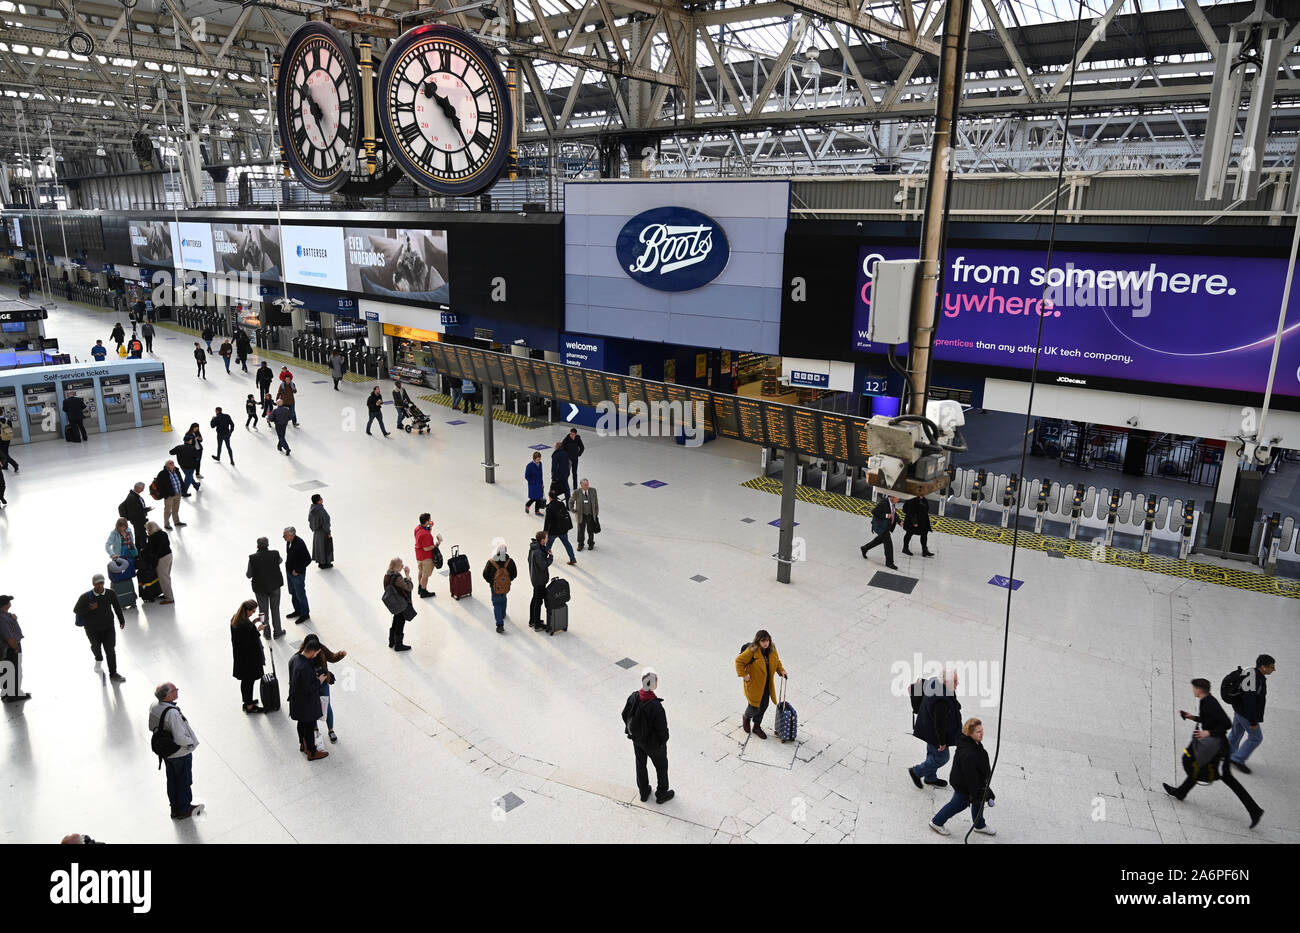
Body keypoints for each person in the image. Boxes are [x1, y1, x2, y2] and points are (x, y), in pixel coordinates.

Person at [1163, 678, 1264, 828]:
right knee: (1200, 767)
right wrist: (1192, 717)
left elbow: (1226, 723)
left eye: (1194, 688)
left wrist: (1208, 733)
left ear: (1199, 689)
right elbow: (1208, 718)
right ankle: (1181, 792)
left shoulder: (1210, 703)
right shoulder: (1205, 701)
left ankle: (1255, 810)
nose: (1193, 690)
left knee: (1227, 778)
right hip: (1214, 746)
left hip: (1219, 748)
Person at [929, 718, 996, 836]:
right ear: (970, 733)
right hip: (965, 786)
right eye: (978, 732)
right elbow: (971, 777)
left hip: (970, 783)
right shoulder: (969, 753)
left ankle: (979, 825)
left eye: (982, 730)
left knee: (978, 802)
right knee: (958, 804)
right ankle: (937, 822)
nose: (982, 734)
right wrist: (978, 793)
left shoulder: (970, 743)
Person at [148, 682, 202, 818]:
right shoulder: (172, 712)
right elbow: (179, 737)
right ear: (167, 695)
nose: (177, 690)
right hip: (180, 753)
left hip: (166, 751)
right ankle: (185, 808)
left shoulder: (154, 706)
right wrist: (191, 743)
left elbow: (151, 726)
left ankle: (175, 808)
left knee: (172, 780)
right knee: (184, 780)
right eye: (174, 689)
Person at [621, 668, 673, 804]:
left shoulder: (633, 696)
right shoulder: (656, 706)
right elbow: (662, 730)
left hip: (637, 740)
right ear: (654, 684)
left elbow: (624, 714)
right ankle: (661, 794)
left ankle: (644, 792)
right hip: (654, 745)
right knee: (661, 767)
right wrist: (663, 741)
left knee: (640, 764)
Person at [909, 668, 961, 789]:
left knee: (932, 755)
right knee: (942, 758)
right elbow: (940, 723)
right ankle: (916, 772)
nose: (957, 683)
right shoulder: (941, 700)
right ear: (946, 682)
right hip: (935, 734)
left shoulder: (937, 684)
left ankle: (930, 778)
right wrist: (942, 741)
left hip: (928, 729)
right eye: (955, 681)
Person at [735, 631, 788, 739]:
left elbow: (776, 662)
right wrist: (744, 675)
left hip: (766, 684)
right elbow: (739, 661)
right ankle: (746, 717)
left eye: (767, 640)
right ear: (758, 641)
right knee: (754, 706)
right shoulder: (752, 651)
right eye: (763, 641)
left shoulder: (772, 649)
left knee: (764, 705)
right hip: (755, 684)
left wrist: (781, 671)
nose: (765, 643)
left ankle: (756, 726)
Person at [1228, 654, 1275, 774]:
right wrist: (1253, 721)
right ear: (1263, 667)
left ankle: (1227, 754)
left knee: (1236, 732)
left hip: (1239, 710)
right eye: (1271, 667)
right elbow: (1250, 701)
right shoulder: (1256, 680)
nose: (1273, 669)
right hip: (1246, 713)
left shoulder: (1252, 673)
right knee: (1256, 738)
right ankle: (1237, 759)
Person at [74, 574, 127, 682]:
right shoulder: (85, 597)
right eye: (97, 583)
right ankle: (98, 658)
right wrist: (89, 608)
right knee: (96, 647)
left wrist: (121, 619)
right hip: (92, 630)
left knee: (110, 651)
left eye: (101, 583)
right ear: (93, 584)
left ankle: (113, 673)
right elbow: (76, 610)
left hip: (108, 628)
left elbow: (117, 607)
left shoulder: (110, 593)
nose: (100, 585)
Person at [289, 634, 330, 760]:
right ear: (312, 651)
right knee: (309, 726)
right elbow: (308, 688)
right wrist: (320, 680)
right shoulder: (305, 667)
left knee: (301, 724)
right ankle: (312, 752)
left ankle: (302, 743)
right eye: (316, 653)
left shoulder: (294, 658)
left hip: (295, 700)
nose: (316, 655)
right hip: (306, 703)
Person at [230, 599, 267, 713]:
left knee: (246, 681)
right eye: (252, 611)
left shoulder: (236, 619)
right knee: (249, 681)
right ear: (247, 610)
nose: (253, 613)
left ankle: (247, 701)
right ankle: (249, 706)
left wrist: (253, 622)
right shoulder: (245, 625)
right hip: (249, 659)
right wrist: (258, 630)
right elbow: (249, 640)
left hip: (241, 657)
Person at [246, 537, 285, 638]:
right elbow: (280, 561)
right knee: (275, 609)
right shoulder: (275, 553)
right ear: (267, 544)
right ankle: (277, 632)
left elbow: (249, 575)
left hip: (260, 589)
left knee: (263, 612)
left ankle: (266, 633)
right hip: (275, 586)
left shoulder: (253, 558)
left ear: (257, 546)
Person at [311, 639, 347, 743]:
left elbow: (331, 656)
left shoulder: (321, 648)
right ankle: (315, 729)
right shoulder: (305, 655)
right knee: (312, 705)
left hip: (324, 682)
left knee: (327, 705)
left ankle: (331, 730)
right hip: (312, 684)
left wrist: (340, 654)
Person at [482, 538, 518, 634]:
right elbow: (514, 574)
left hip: (495, 587)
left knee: (496, 603)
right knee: (504, 598)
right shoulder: (510, 561)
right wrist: (508, 580)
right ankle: (503, 614)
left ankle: (500, 625)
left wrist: (491, 582)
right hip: (506, 586)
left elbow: (485, 574)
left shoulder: (491, 562)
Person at [0, 595, 30, 703]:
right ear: (6, 604)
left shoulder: (6, 615)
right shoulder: (2, 618)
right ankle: (14, 694)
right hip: (11, 647)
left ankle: (7, 693)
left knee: (7, 670)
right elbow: (8, 636)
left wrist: (14, 619)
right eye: (9, 601)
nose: (10, 603)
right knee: (15, 669)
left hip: (9, 647)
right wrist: (15, 647)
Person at [383, 557, 416, 651]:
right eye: (401, 565)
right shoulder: (397, 577)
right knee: (401, 621)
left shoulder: (387, 575)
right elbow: (408, 588)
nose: (402, 566)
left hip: (393, 602)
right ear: (397, 566)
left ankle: (391, 641)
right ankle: (398, 645)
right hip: (400, 603)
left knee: (395, 619)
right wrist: (408, 576)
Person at [861, 494, 901, 570]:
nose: (898, 500)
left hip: (886, 527)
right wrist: (886, 515)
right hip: (881, 527)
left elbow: (894, 513)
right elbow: (874, 511)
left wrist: (899, 521)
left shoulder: (892, 503)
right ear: (891, 497)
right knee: (888, 545)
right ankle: (889, 563)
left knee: (879, 540)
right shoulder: (883, 503)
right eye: (897, 498)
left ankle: (864, 548)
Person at [284, 526, 311, 624]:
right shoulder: (288, 542)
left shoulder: (299, 543)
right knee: (293, 593)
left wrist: (298, 570)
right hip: (289, 572)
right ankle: (298, 610)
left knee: (300, 594)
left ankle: (305, 614)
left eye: (285, 535)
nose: (283, 537)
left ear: (292, 535)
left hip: (297, 574)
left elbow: (308, 559)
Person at [143, 521, 174, 604]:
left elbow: (149, 550)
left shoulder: (153, 537)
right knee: (167, 577)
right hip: (169, 556)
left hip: (162, 559)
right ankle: (167, 594)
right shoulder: (164, 533)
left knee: (164, 579)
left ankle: (169, 598)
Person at [543, 488, 577, 565]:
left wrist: (545, 532)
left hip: (553, 531)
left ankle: (544, 558)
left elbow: (547, 521)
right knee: (567, 544)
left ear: (550, 497)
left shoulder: (549, 507)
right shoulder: (561, 504)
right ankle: (572, 558)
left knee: (548, 545)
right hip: (562, 530)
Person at [527, 530, 553, 631]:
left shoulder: (535, 548)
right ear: (542, 540)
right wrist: (550, 557)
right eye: (546, 538)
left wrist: (545, 552)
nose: (547, 539)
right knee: (538, 601)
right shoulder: (538, 552)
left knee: (535, 599)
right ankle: (537, 624)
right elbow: (543, 565)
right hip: (540, 580)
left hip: (535, 577)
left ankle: (532, 620)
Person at [413, 513, 443, 598]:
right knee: (425, 575)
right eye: (429, 520)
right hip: (426, 557)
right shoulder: (425, 534)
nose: (431, 521)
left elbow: (422, 538)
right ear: (426, 521)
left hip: (419, 555)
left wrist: (430, 528)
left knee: (420, 572)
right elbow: (426, 548)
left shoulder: (417, 529)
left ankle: (420, 587)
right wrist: (436, 545)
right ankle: (423, 591)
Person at [118, 482, 152, 549]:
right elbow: (136, 511)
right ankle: (144, 550)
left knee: (138, 536)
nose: (143, 490)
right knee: (142, 536)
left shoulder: (134, 495)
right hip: (138, 521)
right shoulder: (133, 497)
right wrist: (147, 509)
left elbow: (138, 508)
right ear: (137, 488)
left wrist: (146, 509)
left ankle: (139, 550)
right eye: (142, 488)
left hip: (138, 520)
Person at [154, 460, 186, 529]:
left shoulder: (176, 470)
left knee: (176, 509)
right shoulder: (162, 473)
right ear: (166, 466)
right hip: (169, 496)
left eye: (173, 463)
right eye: (170, 463)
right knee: (168, 510)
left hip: (178, 493)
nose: (172, 464)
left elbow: (180, 479)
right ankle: (166, 524)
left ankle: (177, 522)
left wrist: (183, 488)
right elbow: (158, 485)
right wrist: (165, 494)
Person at [571, 479, 599, 552]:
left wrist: (596, 513)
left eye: (587, 484)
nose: (587, 486)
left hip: (590, 515)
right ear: (581, 485)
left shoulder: (593, 491)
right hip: (581, 515)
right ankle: (580, 544)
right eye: (585, 485)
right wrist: (572, 510)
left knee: (590, 530)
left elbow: (596, 502)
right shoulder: (576, 492)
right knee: (581, 531)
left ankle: (590, 543)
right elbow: (571, 501)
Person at [308, 494, 333, 569]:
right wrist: (328, 532)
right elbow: (325, 522)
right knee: (325, 547)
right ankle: (325, 563)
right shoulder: (321, 510)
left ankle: (320, 562)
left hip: (316, 532)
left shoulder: (312, 509)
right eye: (321, 498)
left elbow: (310, 520)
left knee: (319, 547)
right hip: (323, 531)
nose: (322, 499)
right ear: (318, 501)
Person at [561, 427, 585, 491]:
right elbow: (562, 447)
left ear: (575, 434)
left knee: (574, 473)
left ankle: (575, 487)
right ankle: (564, 486)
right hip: (568, 459)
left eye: (573, 434)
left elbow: (582, 447)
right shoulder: (566, 439)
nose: (571, 435)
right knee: (566, 473)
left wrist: (578, 454)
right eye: (571, 434)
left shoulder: (578, 439)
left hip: (575, 459)